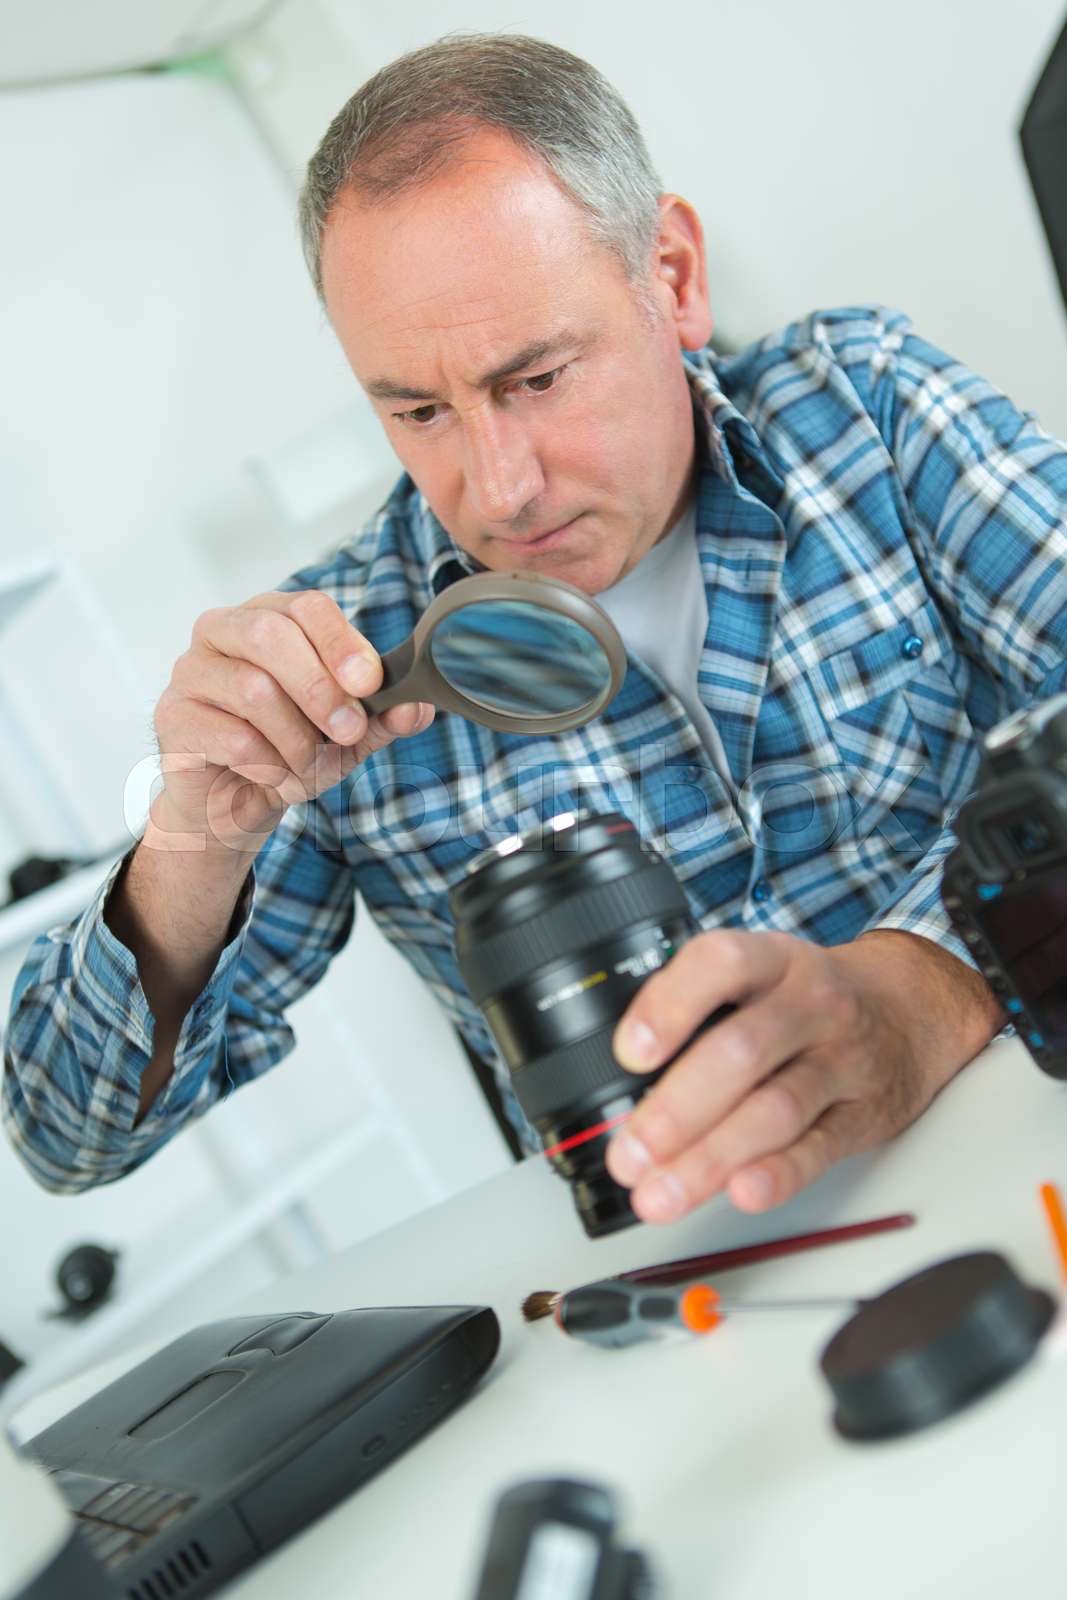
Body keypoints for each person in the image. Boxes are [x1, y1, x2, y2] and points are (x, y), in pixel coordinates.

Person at [5, 33, 1063, 1227]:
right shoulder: (337, 662)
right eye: (418, 410)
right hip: (693, 1268)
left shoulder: (862, 408)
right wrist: (192, 840)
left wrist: (930, 980)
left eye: (537, 378)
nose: (500, 488)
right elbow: (64, 1138)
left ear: (671, 277)